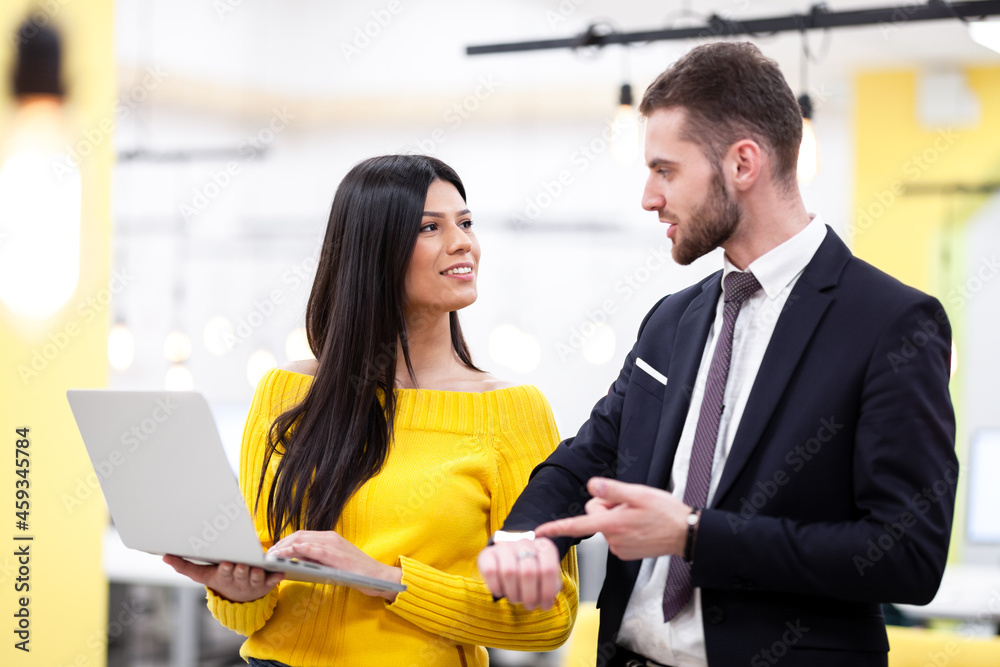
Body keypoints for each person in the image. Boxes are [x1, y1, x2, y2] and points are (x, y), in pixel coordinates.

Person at [478, 42, 956, 667]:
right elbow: (585, 459)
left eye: (665, 170)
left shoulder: (891, 323)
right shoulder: (671, 319)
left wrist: (696, 536)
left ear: (743, 163)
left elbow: (907, 555)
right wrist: (524, 536)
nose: (649, 197)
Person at [164, 154, 578, 666]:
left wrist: (385, 579)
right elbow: (250, 610)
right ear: (373, 250)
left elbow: (550, 616)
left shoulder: (511, 412)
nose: (462, 243)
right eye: (430, 227)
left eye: (466, 223)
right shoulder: (287, 393)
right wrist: (237, 592)